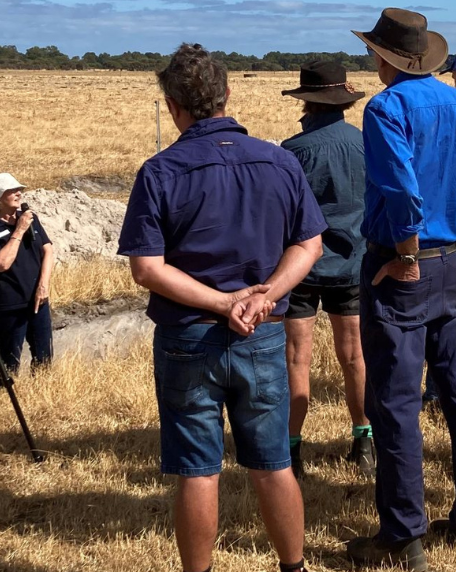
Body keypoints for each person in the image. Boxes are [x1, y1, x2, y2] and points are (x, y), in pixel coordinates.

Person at [119, 43, 325, 572]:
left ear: (172, 106)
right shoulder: (279, 160)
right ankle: (294, 567)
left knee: (197, 471)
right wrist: (264, 295)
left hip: (188, 336)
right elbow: (309, 244)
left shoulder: (160, 171)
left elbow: (147, 268)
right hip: (262, 332)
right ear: (227, 94)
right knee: (274, 463)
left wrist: (222, 301)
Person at [346, 8, 456, 569]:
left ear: (384, 59)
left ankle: (403, 535)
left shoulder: (386, 108)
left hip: (405, 265)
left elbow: (401, 189)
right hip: (454, 264)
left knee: (396, 402)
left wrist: (405, 256)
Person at [277, 60, 373, 480]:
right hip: (354, 262)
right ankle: (364, 442)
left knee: (296, 357)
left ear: (307, 102)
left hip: (300, 266)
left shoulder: (292, 151)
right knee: (354, 356)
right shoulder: (366, 145)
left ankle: (291, 450)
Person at [0, 173, 54, 374]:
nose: (19, 193)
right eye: (12, 190)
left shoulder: (30, 218)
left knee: (44, 359)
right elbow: (1, 264)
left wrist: (43, 286)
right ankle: (5, 390)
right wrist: (19, 231)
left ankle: (43, 391)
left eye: (19, 189)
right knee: (10, 363)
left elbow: (48, 250)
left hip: (38, 300)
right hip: (9, 304)